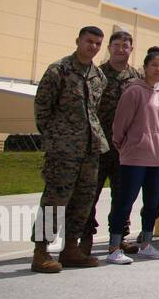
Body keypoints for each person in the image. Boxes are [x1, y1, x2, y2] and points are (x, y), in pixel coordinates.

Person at [30, 25, 110, 272]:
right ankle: (41, 251)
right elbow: (42, 109)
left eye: (97, 43)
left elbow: (93, 112)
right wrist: (56, 138)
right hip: (63, 150)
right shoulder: (59, 71)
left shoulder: (99, 77)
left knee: (83, 200)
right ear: (78, 40)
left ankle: (71, 248)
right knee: (54, 200)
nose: (93, 47)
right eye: (89, 41)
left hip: (90, 149)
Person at [105, 46, 159, 263]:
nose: (158, 69)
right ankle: (115, 247)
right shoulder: (134, 91)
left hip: (158, 157)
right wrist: (125, 145)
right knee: (125, 202)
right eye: (154, 65)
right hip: (134, 156)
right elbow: (120, 124)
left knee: (152, 205)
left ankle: (146, 243)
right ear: (145, 67)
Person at [81, 29, 141, 255]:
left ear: (131, 50)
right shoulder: (97, 75)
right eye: (116, 45)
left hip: (123, 149)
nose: (121, 50)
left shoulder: (135, 78)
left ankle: (119, 236)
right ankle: (83, 238)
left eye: (125, 46)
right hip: (96, 147)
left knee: (122, 194)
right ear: (109, 48)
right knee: (89, 195)